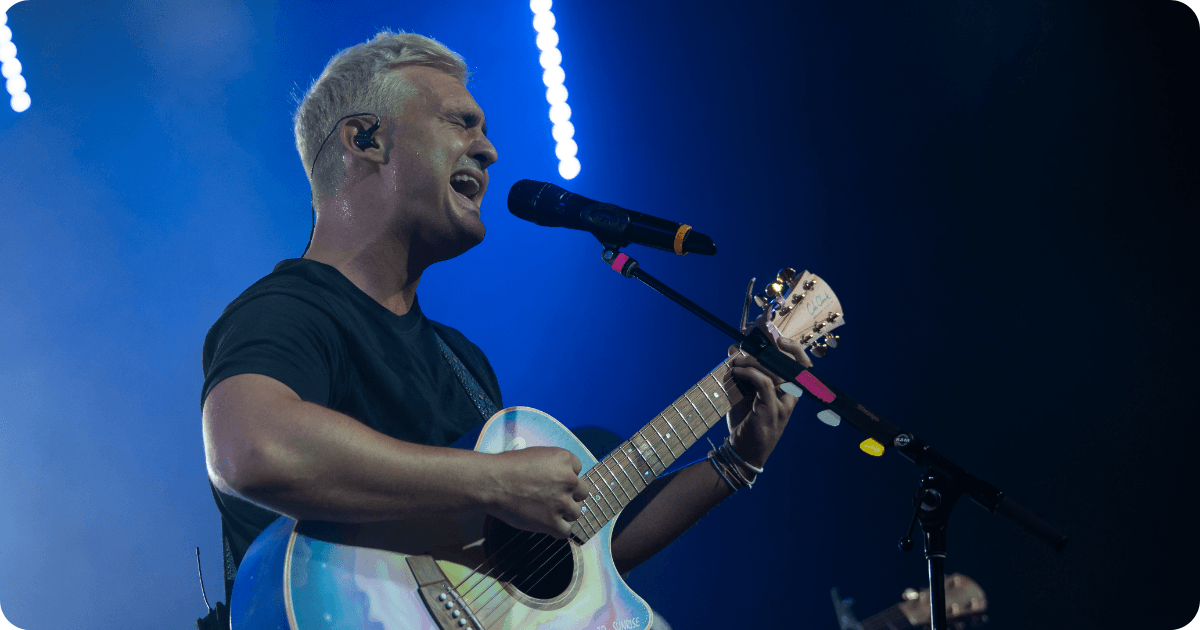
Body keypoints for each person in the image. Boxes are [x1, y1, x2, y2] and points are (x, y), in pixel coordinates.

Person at [200, 29, 808, 626]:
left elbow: (564, 563)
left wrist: (736, 463)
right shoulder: (290, 309)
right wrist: (493, 481)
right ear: (366, 140)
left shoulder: (462, 361)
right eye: (460, 123)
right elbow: (251, 449)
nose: (488, 150)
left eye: (484, 131)